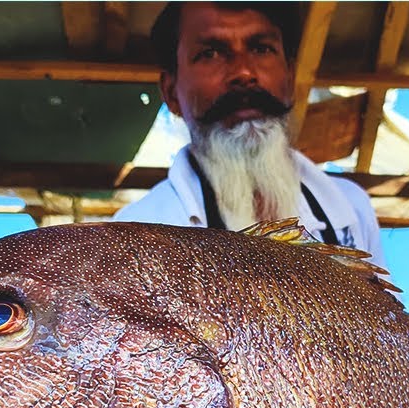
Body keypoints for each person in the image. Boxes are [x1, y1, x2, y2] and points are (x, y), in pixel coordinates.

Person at [114, 1, 387, 269]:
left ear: (290, 78)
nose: (243, 72)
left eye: (261, 48)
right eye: (210, 53)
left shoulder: (350, 207)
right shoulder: (133, 237)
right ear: (172, 92)